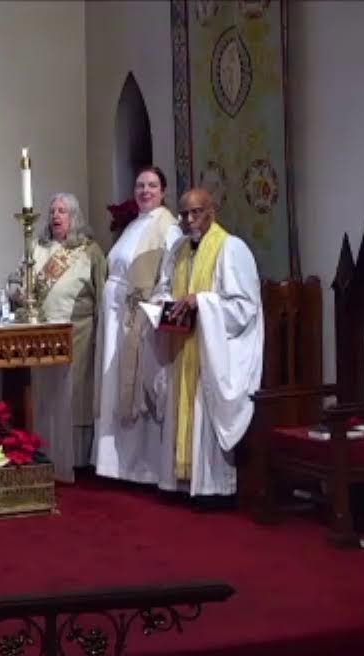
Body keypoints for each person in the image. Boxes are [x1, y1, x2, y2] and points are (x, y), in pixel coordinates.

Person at [151, 187, 263, 500]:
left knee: (203, 411)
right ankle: (179, 483)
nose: (189, 220)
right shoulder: (177, 251)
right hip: (181, 347)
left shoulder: (231, 248)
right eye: (184, 213)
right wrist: (164, 304)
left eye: (196, 212)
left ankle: (212, 488)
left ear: (211, 211)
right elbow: (163, 288)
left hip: (211, 353)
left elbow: (244, 308)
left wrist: (202, 302)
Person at [92, 167, 183, 486]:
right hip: (116, 314)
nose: (145, 191)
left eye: (152, 185)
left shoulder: (168, 227)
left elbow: (169, 274)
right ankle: (113, 463)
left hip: (138, 316)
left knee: (134, 383)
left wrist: (151, 308)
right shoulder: (134, 224)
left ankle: (138, 467)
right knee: (112, 379)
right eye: (140, 185)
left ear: (164, 191)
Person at [7, 193, 106, 481]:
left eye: (62, 211)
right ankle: (46, 452)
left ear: (74, 216)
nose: (55, 216)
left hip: (79, 335)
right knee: (45, 396)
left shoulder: (90, 251)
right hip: (42, 336)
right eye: (52, 211)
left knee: (76, 396)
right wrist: (17, 293)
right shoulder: (37, 248)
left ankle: (76, 458)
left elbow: (103, 296)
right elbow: (15, 282)